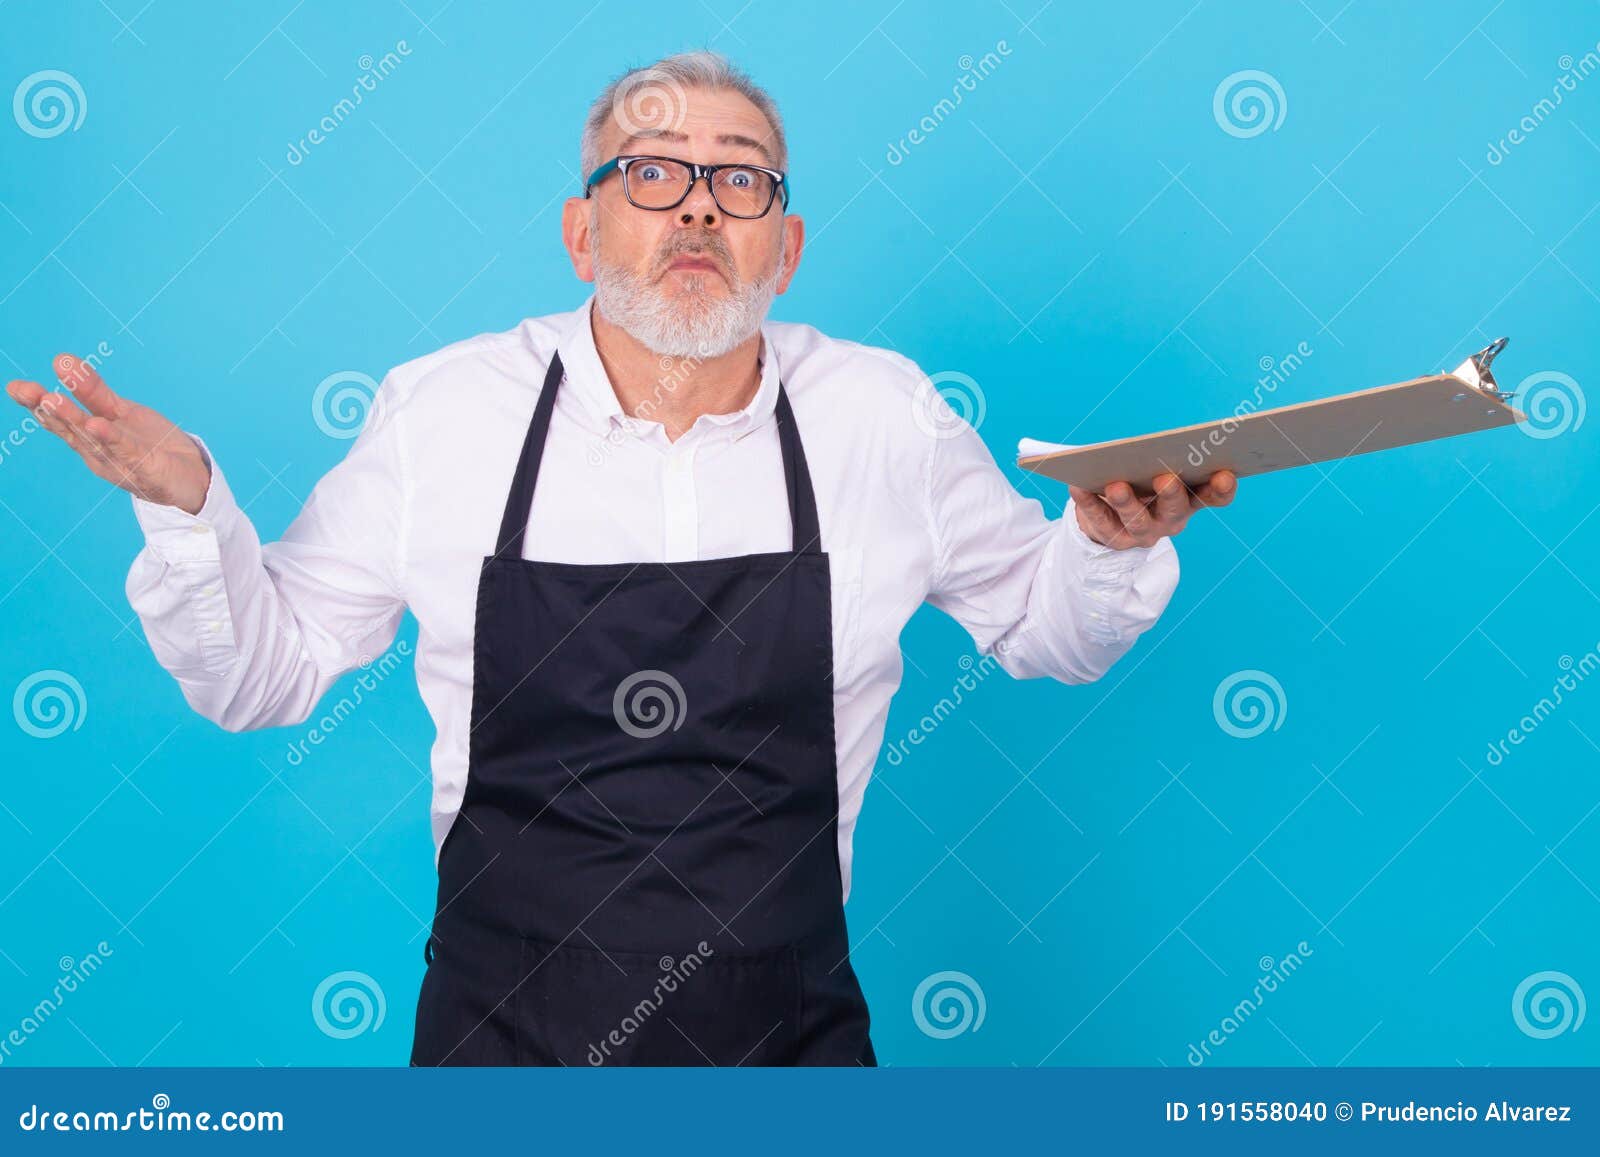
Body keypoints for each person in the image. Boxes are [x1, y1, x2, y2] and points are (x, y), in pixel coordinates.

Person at [4, 50, 1236, 1067]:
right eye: (654, 174)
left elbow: (1048, 632)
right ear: (581, 229)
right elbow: (257, 680)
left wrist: (1101, 542)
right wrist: (187, 511)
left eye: (738, 181)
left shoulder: (883, 416)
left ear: (786, 247)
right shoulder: (445, 413)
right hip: (504, 1040)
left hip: (788, 1041)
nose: (699, 205)